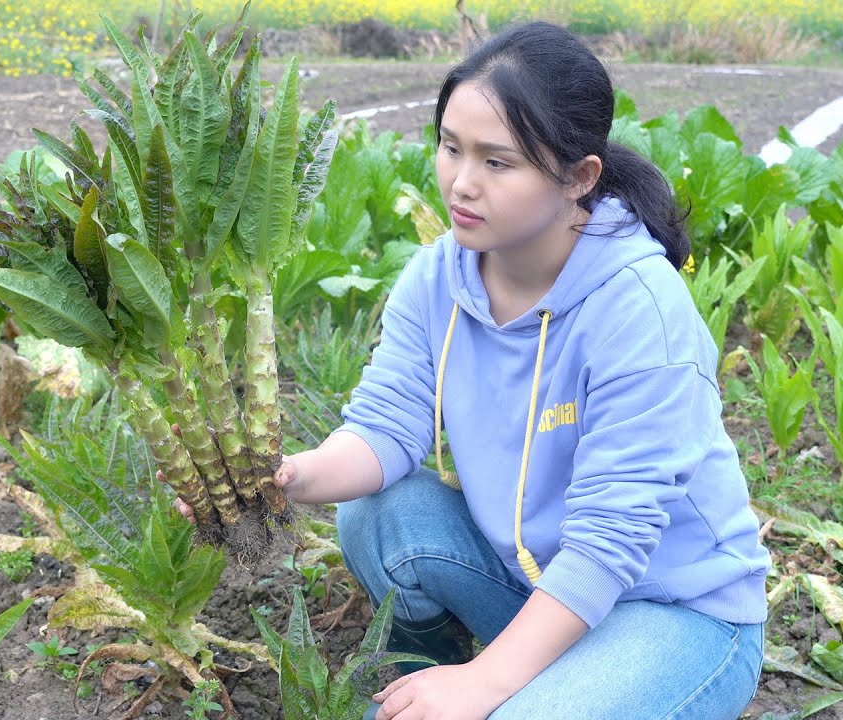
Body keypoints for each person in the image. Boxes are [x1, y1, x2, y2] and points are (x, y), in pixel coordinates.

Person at [182, 19, 770, 720]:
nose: (461, 183)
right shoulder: (438, 277)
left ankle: (514, 683)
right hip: (534, 587)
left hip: (673, 612)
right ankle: (437, 675)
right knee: (377, 513)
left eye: (498, 162)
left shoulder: (640, 309)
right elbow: (384, 429)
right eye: (450, 148)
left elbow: (610, 544)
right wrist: (283, 476)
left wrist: (486, 684)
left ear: (579, 177)